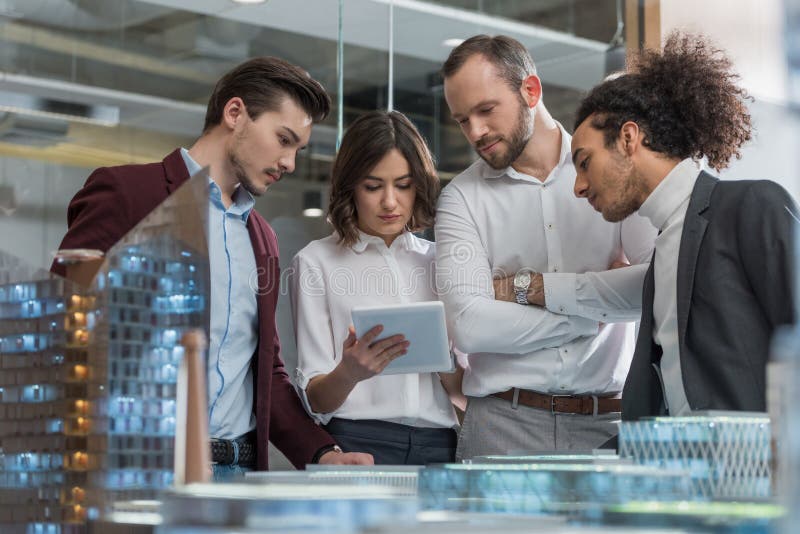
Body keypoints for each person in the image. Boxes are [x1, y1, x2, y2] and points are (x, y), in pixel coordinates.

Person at [52, 56, 373, 477]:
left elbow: (266, 374)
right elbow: (57, 328)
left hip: (235, 473)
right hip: (138, 466)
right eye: (283, 139)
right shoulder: (128, 194)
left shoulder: (263, 239)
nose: (290, 162)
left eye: (298, 148)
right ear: (235, 113)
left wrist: (323, 453)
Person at [435, 34, 657, 459]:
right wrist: (588, 315)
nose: (476, 132)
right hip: (500, 426)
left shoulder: (613, 170)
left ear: (530, 90)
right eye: (463, 120)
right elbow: (469, 325)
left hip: (607, 422)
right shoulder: (461, 198)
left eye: (486, 110)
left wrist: (530, 288)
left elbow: (654, 284)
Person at [571, 32, 796, 420]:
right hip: (688, 472)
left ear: (628, 138)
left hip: (760, 471)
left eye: (584, 161)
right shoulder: (662, 253)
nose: (579, 187)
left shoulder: (752, 206)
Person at [289, 110, 463, 465]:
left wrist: (444, 357)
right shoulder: (315, 262)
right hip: (358, 442)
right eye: (372, 186)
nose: (389, 201)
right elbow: (315, 400)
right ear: (350, 186)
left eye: (403, 185)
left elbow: (464, 393)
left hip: (440, 445)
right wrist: (350, 372)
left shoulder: (440, 260)